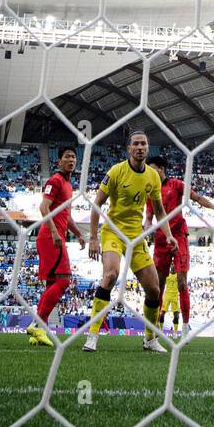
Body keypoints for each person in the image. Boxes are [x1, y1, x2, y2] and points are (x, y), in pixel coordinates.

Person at [85, 131, 171, 354]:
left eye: (144, 143)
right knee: (111, 274)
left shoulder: (153, 176)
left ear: (148, 147)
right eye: (136, 144)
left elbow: (160, 211)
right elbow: (97, 205)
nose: (140, 147)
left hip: (136, 236)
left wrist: (169, 235)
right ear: (129, 149)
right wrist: (93, 238)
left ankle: (150, 339)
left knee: (154, 290)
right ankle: (92, 335)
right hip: (113, 232)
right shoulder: (116, 171)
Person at [144, 155, 214, 340]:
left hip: (179, 236)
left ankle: (185, 326)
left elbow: (197, 198)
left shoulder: (176, 185)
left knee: (182, 281)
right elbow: (149, 216)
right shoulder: (151, 191)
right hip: (161, 240)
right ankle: (156, 327)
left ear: (162, 169)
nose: (150, 172)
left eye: (153, 169)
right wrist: (146, 230)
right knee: (158, 286)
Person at [27, 147, 86, 347]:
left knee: (52, 284)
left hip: (54, 237)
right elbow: (43, 207)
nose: (71, 159)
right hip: (50, 237)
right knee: (63, 281)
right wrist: (54, 232)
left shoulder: (68, 185)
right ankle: (38, 325)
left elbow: (66, 216)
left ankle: (37, 330)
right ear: (59, 161)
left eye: (73, 157)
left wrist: (78, 233)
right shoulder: (55, 181)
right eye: (67, 156)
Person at [160, 271, 182, 338]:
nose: (172, 266)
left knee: (176, 316)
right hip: (167, 295)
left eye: (174, 265)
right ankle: (160, 331)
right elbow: (162, 283)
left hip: (175, 296)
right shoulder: (166, 274)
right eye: (171, 264)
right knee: (161, 314)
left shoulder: (178, 275)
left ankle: (175, 333)